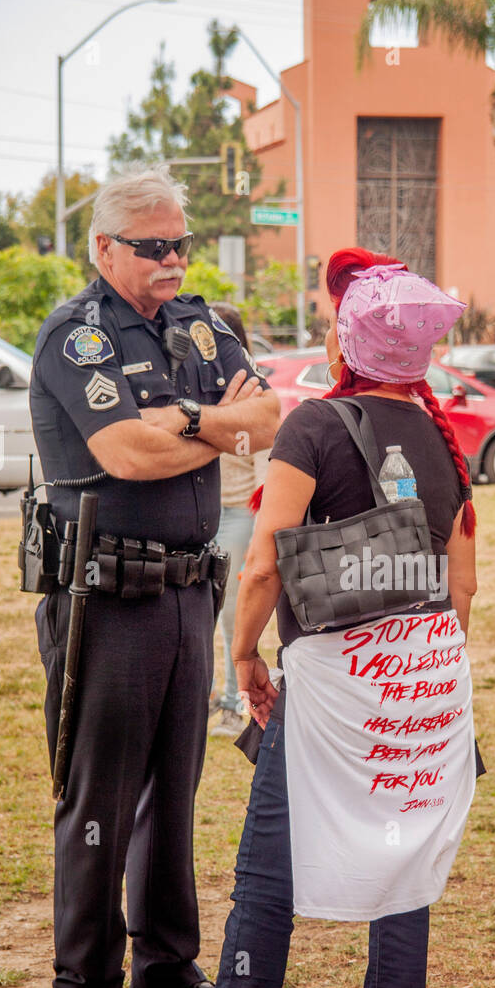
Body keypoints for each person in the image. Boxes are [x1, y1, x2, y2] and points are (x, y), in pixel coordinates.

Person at [122, 247, 479, 988]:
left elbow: (264, 560)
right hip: (427, 680)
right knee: (402, 872)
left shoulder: (317, 425)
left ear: (348, 340)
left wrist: (243, 655)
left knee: (265, 882)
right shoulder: (441, 437)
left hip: (333, 689)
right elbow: (462, 587)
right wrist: (417, 673)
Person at [29, 164, 279, 988]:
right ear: (105, 248)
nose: (174, 258)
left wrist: (184, 417)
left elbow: (272, 422)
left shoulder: (205, 324)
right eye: (154, 246)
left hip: (189, 591)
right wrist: (213, 423)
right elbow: (125, 455)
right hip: (104, 594)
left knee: (173, 796)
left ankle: (166, 972)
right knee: (99, 798)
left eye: (182, 242)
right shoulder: (77, 337)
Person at [208, 301, 270, 738]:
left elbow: (265, 471)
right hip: (202, 517)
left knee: (232, 618)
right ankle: (207, 696)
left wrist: (259, 531)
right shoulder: (201, 387)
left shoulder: (254, 394)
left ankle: (233, 703)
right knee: (197, 619)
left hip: (237, 515)